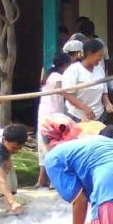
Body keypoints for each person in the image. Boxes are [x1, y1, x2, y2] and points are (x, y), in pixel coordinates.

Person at [37, 53, 71, 187]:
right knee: (54, 146)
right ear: (65, 65)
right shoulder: (58, 77)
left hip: (44, 112)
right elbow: (63, 92)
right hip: (53, 115)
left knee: (43, 145)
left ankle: (41, 179)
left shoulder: (48, 76)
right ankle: (53, 180)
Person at [61, 39, 113, 123]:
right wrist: (85, 108)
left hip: (97, 116)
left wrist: (107, 104)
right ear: (89, 54)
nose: (100, 59)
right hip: (76, 117)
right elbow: (67, 94)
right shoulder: (74, 70)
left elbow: (103, 91)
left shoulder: (99, 69)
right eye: (99, 55)